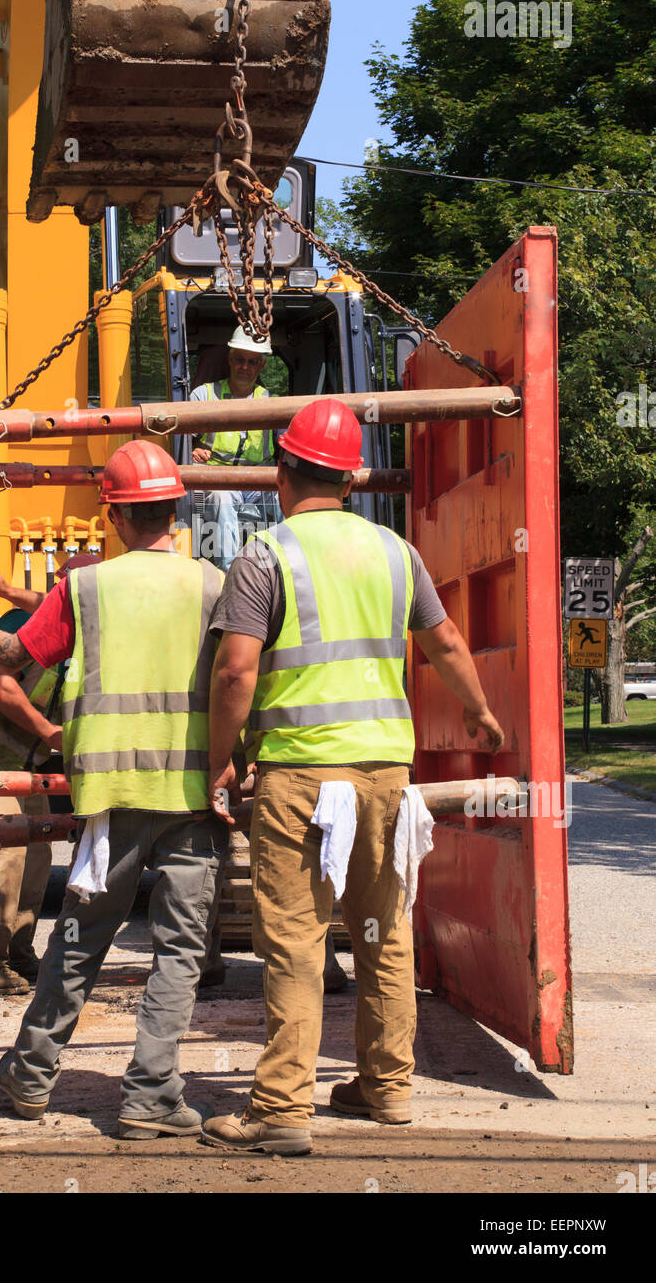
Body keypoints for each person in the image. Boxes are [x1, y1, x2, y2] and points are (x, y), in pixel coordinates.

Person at [199, 399, 504, 1155]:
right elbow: (448, 642)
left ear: (282, 473)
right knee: (383, 933)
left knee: (297, 942)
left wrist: (218, 761)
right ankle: (387, 1089)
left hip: (301, 776)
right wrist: (481, 713)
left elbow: (236, 670)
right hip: (385, 780)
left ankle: (280, 1111)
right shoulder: (397, 552)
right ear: (351, 477)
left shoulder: (264, 556)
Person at [0, 441, 229, 1140]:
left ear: (117, 515)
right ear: (175, 509)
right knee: (182, 952)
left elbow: (9, 656)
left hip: (111, 796)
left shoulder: (85, 587)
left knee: (80, 941)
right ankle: (151, 1096)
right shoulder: (215, 584)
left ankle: (30, 1076)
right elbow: (241, 678)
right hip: (192, 797)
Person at [0, 549, 95, 994]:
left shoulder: (72, 623)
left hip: (27, 763)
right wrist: (49, 732)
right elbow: (0, 686)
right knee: (5, 859)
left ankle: (19, 952)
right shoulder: (21, 626)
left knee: (37, 857)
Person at [190, 325, 279, 570]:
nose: (245, 367)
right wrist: (192, 452)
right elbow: (181, 446)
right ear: (229, 359)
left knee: (284, 495)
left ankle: (282, 567)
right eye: (240, 359)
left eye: (253, 362)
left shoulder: (272, 402)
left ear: (262, 365)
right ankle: (228, 571)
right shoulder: (203, 396)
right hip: (217, 480)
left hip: (258, 480)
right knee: (223, 497)